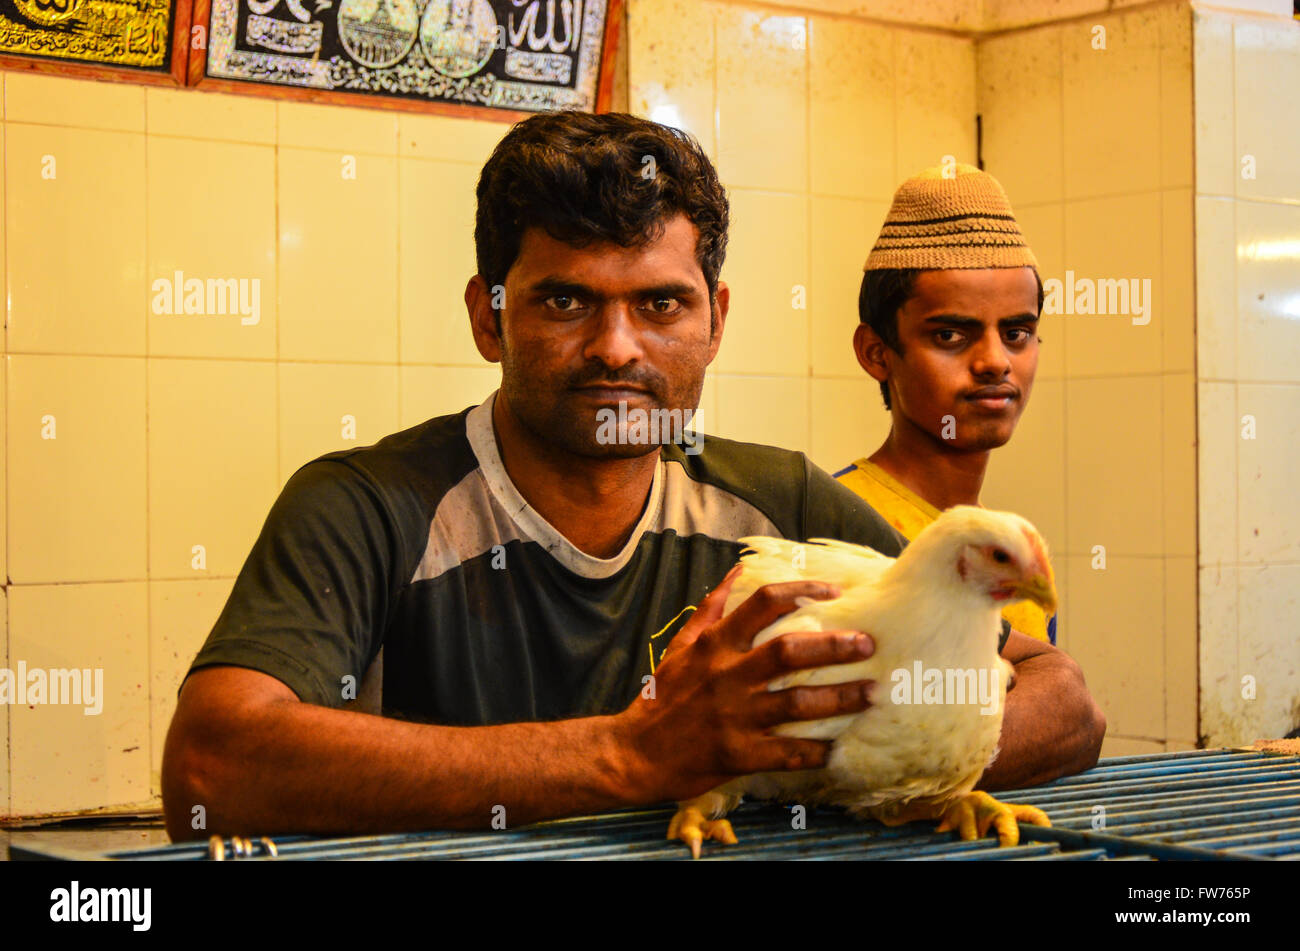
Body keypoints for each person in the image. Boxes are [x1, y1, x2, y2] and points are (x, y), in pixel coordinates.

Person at [161, 114, 1104, 843]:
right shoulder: (369, 506)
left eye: (660, 303)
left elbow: (1063, 703)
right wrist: (634, 753)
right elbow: (211, 766)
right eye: (566, 301)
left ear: (715, 320)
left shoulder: (779, 499)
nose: (617, 348)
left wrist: (861, 757)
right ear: (490, 320)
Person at [837, 164, 1056, 643]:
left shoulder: (1011, 557)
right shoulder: (831, 527)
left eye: (1017, 333)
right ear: (877, 354)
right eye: (951, 335)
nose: (996, 362)